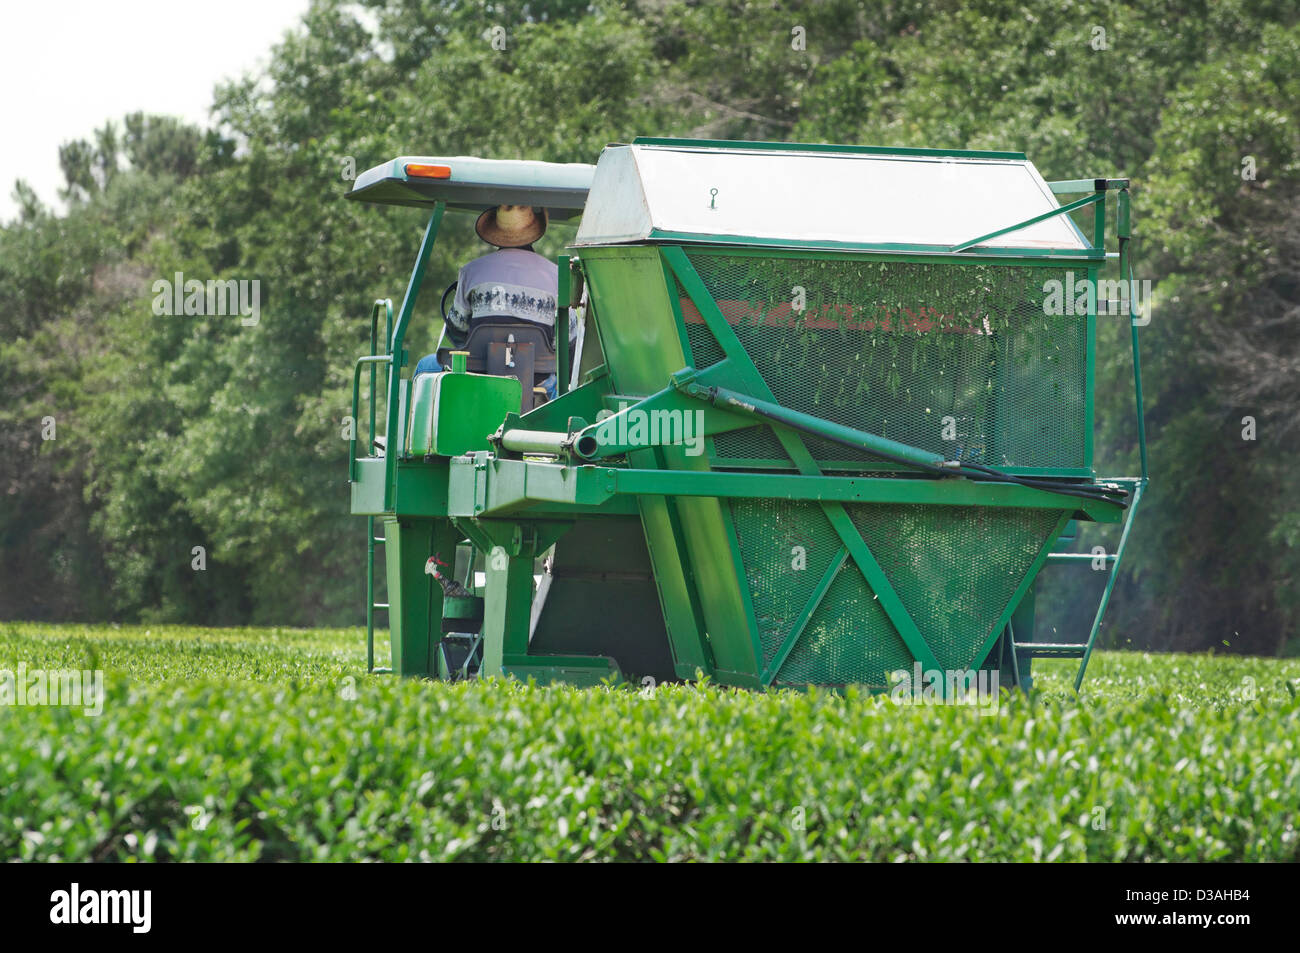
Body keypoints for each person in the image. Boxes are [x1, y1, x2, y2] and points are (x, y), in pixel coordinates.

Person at [415, 204, 575, 399]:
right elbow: (568, 338)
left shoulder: (471, 271)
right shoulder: (556, 275)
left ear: (496, 228)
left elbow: (457, 329)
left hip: (477, 377)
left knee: (425, 365)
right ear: (534, 228)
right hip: (538, 383)